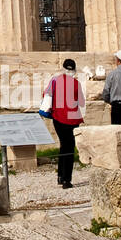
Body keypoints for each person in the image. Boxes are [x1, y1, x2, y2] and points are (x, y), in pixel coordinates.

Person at [40, 58, 84, 188]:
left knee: (63, 146)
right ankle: (66, 179)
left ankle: (60, 176)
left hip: (58, 118)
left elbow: (46, 95)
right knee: (69, 147)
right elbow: (81, 102)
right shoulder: (77, 84)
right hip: (72, 118)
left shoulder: (55, 81)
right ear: (74, 70)